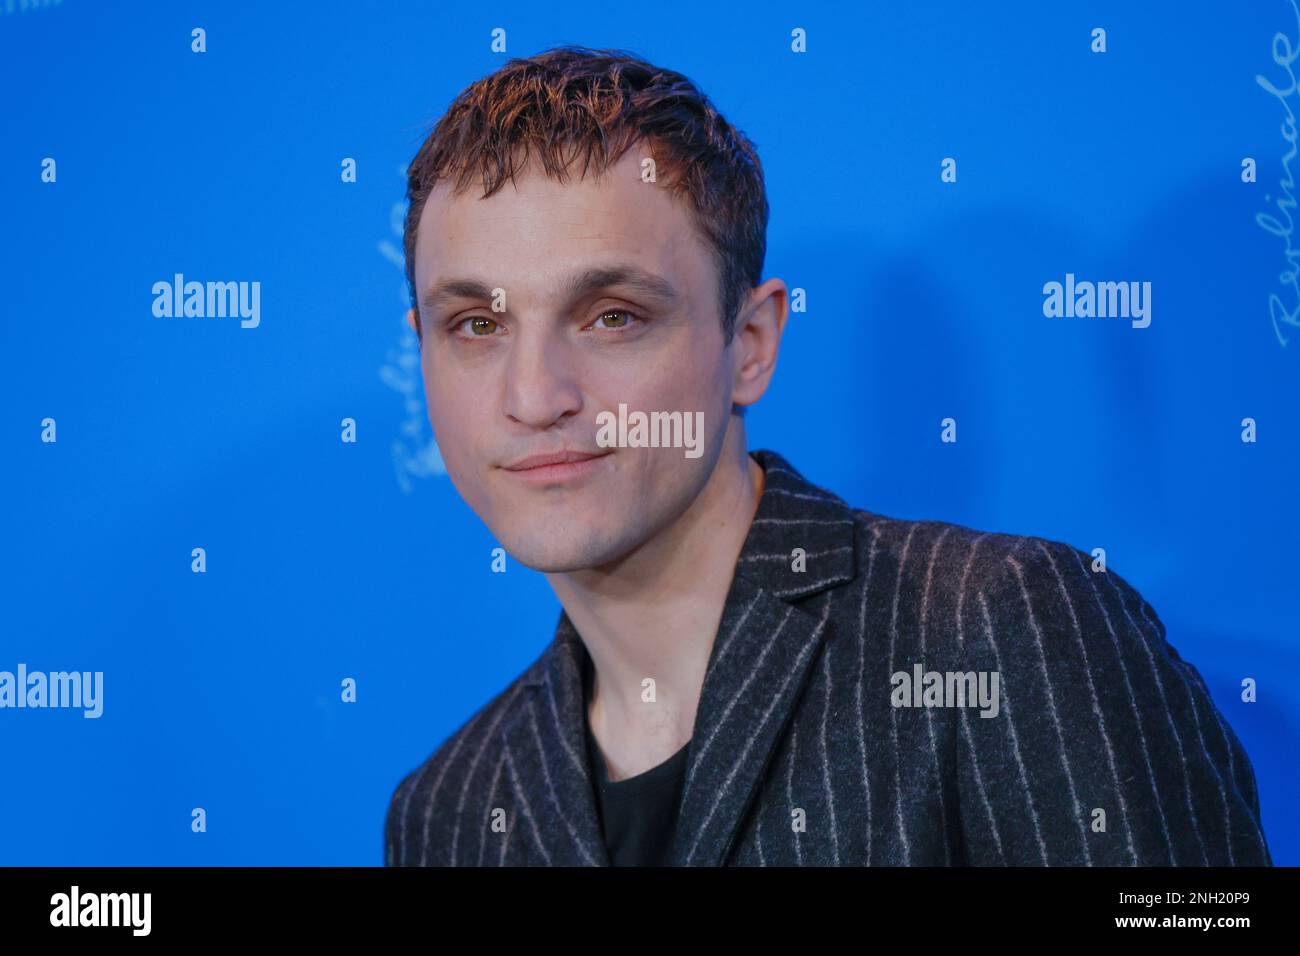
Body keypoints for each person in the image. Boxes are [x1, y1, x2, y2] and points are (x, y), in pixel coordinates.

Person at [384, 45, 1271, 866]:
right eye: (478, 325)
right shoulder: (447, 809)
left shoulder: (997, 634)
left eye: (613, 315)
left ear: (752, 343)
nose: (535, 396)